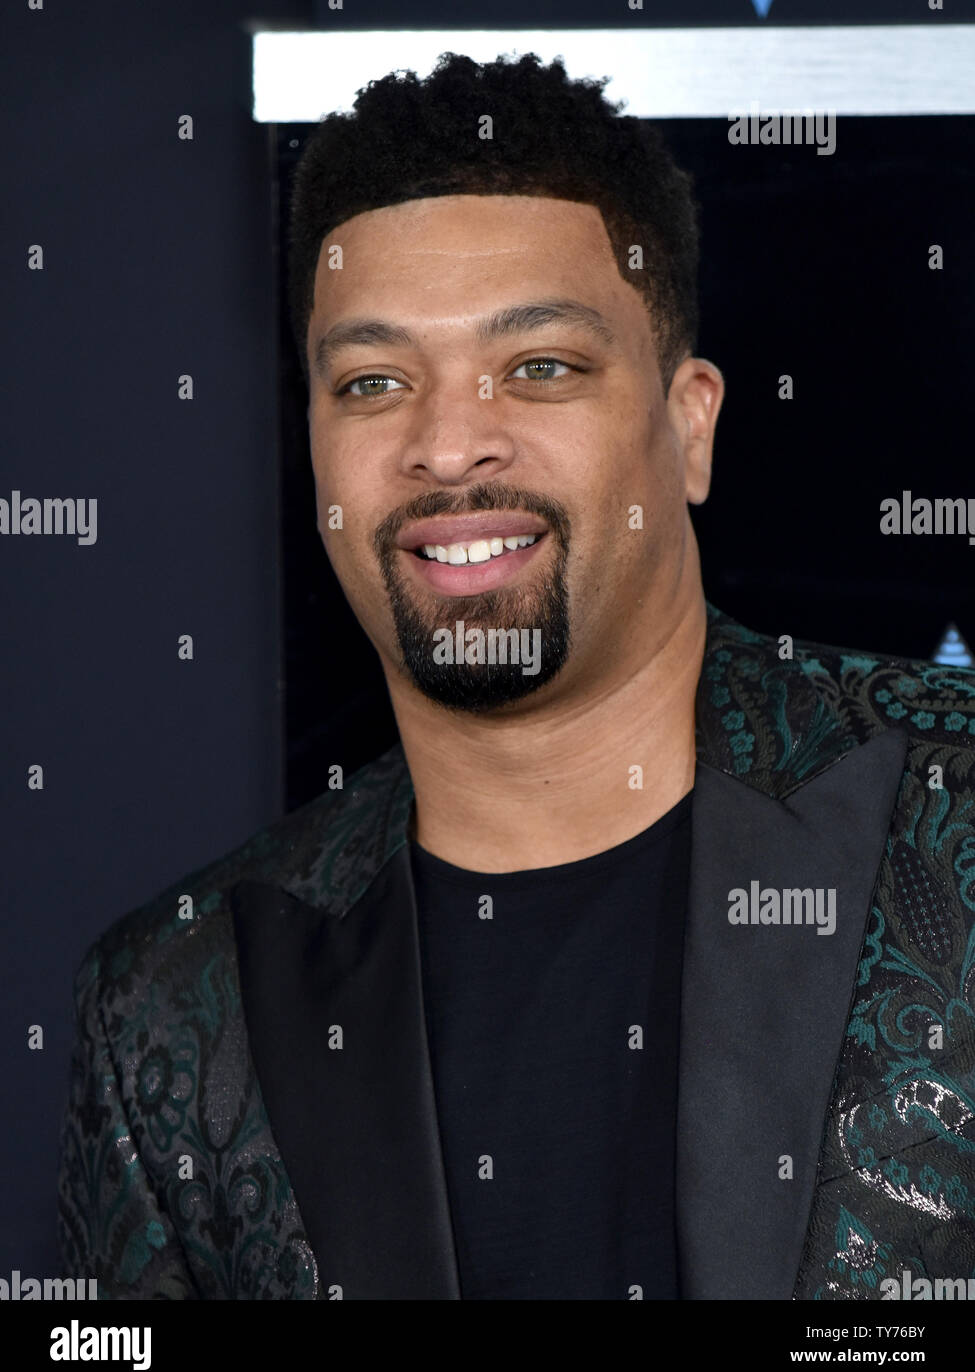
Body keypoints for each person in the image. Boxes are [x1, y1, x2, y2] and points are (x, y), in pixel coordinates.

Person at [57, 51, 975, 1301]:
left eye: (539, 365)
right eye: (374, 382)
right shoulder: (168, 1006)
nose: (446, 444)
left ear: (689, 423)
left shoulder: (955, 809)